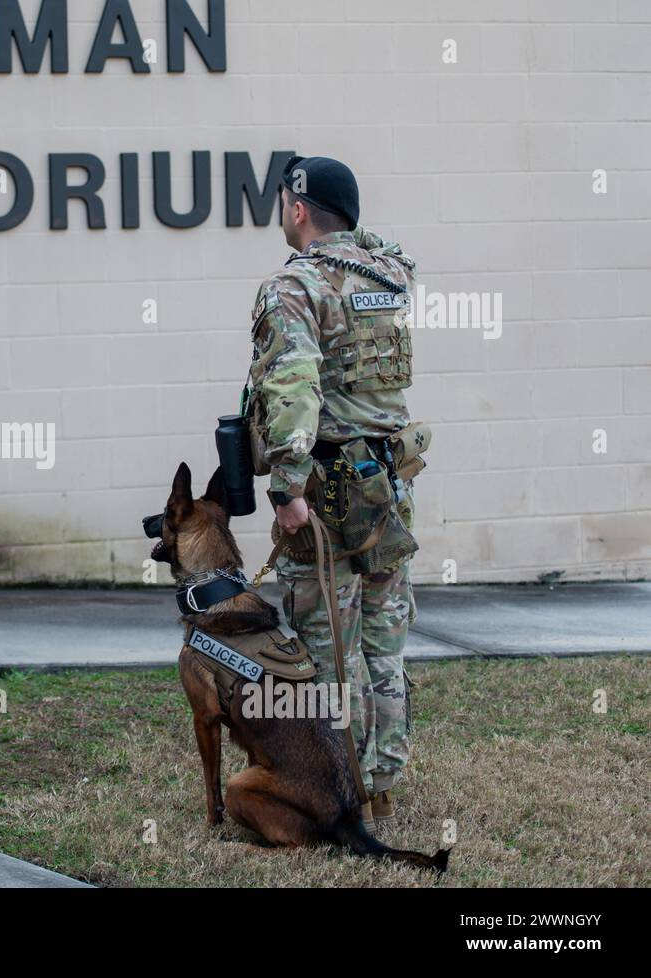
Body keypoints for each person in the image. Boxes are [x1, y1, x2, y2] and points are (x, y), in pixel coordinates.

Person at [244, 155, 419, 827]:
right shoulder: (393, 275)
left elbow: (293, 383)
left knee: (328, 647)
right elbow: (384, 248)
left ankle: (336, 789)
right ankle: (382, 779)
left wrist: (287, 487)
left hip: (325, 492)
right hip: (390, 492)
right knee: (384, 641)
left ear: (297, 210)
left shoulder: (296, 286)